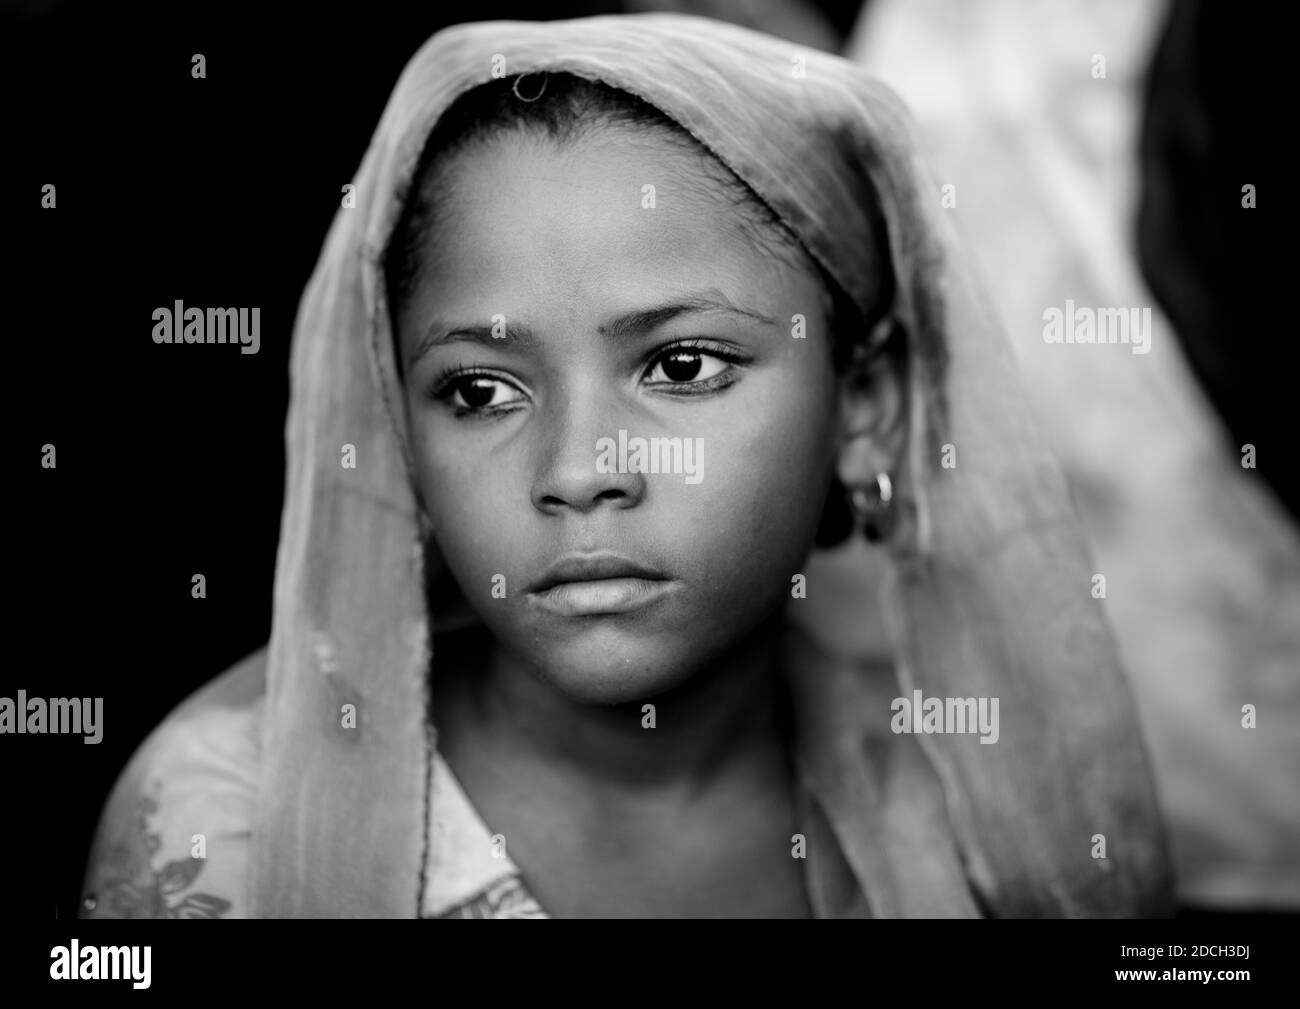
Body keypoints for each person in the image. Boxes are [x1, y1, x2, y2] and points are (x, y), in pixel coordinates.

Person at [80, 12, 1173, 918]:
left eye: (683, 364)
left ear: (864, 410)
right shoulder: (228, 824)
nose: (576, 469)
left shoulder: (967, 800)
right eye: (478, 391)